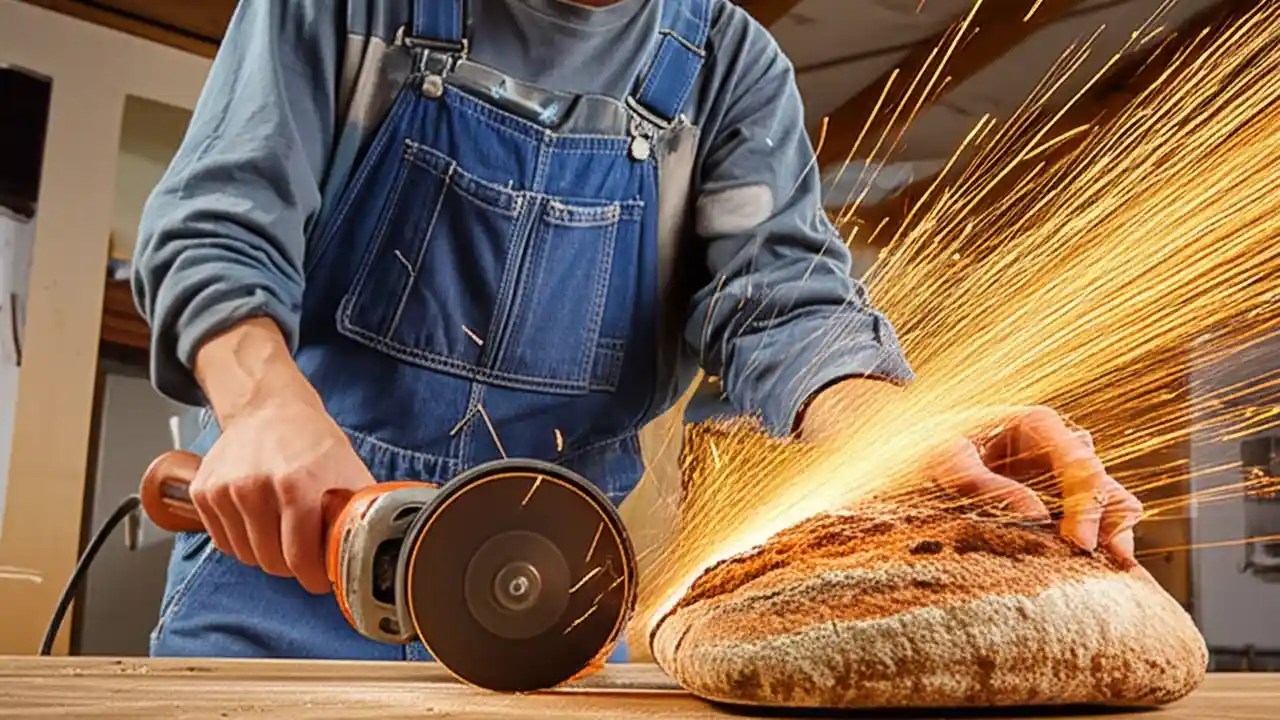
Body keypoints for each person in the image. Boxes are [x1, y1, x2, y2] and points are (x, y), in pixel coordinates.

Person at [132, 0, 1142, 661]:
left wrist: (894, 433)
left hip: (551, 618)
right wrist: (267, 410)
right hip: (292, 574)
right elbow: (214, 227)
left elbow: (779, 302)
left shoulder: (727, 72)